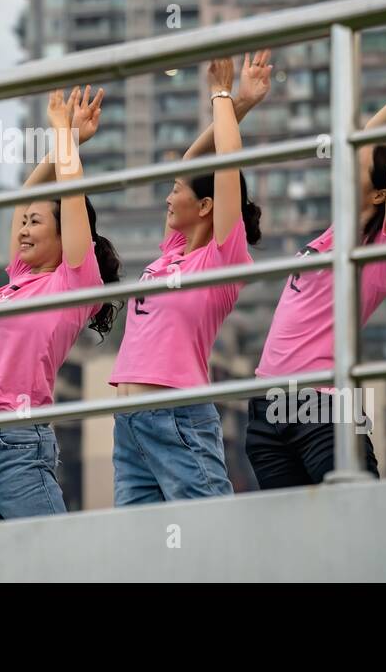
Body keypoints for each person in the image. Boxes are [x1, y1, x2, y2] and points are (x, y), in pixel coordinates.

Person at [246, 18, 386, 487]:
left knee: (358, 524)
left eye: (363, 167)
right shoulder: (342, 231)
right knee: (297, 550)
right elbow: (371, 132)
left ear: (380, 196)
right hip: (268, 408)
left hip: (320, 406)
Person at [0, 86, 121, 522]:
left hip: (17, 441)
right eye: (23, 222)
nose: (24, 229)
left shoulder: (73, 282)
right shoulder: (18, 278)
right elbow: (28, 195)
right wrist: (64, 144)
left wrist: (65, 137)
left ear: (66, 237)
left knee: (50, 560)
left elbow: (70, 193)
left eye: (35, 223)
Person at [109, 52, 271, 504]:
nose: (168, 196)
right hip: (129, 423)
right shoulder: (173, 253)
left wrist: (220, 95)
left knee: (207, 534)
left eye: (177, 191)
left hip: (177, 414)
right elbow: (192, 159)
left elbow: (225, 169)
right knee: (140, 551)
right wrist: (241, 103)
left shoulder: (221, 256)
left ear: (205, 207)